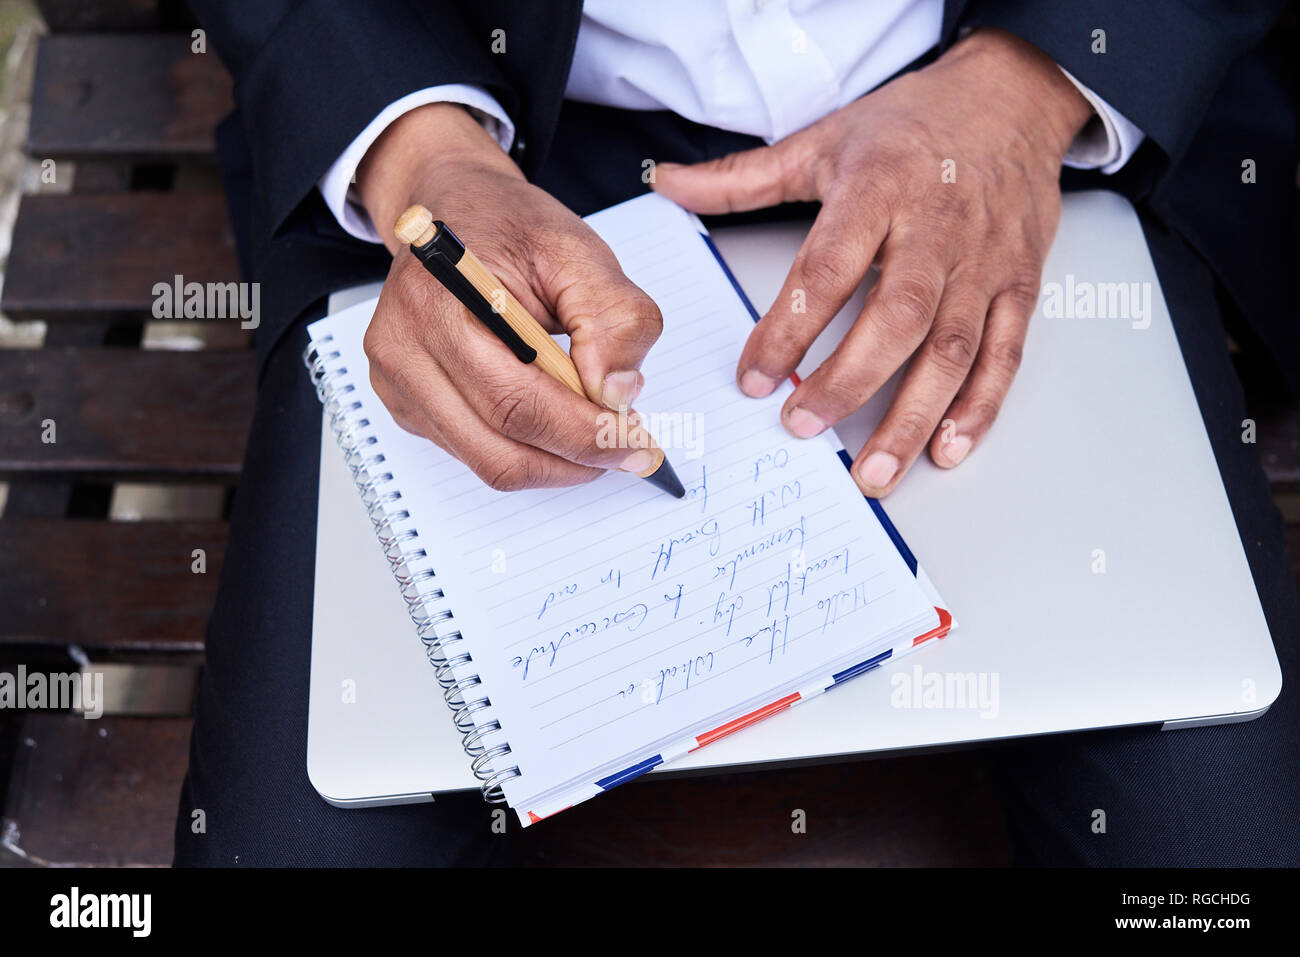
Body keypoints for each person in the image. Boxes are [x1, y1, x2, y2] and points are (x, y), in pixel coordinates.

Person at [174, 0, 1299, 866]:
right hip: (507, 140)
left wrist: (1035, 81)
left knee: (1230, 855)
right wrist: (420, 155)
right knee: (290, 844)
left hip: (1013, 108)